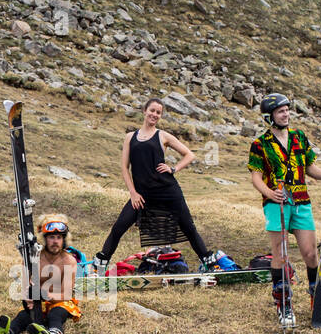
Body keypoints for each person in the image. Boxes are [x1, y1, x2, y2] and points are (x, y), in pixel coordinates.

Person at [91, 98, 233, 275]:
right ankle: (100, 264)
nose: (154, 115)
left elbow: (189, 154)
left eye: (158, 112)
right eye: (152, 110)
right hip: (142, 195)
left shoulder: (162, 136)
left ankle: (209, 262)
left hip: (167, 191)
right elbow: (124, 168)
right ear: (144, 111)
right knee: (119, 227)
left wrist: (173, 169)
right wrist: (133, 193)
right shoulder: (130, 137)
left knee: (188, 227)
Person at [248, 95, 321, 328]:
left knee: (311, 254)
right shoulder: (260, 144)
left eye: (287, 110)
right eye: (280, 111)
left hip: (301, 202)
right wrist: (269, 192)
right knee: (281, 255)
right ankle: (283, 303)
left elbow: (310, 167)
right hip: (277, 205)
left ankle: (316, 299)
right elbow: (255, 175)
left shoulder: (298, 137)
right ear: (269, 116)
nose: (285, 114)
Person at [0, 213, 81, 334]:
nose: (55, 241)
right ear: (44, 239)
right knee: (22, 317)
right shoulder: (32, 258)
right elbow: (26, 287)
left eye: (59, 237)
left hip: (60, 302)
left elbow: (67, 293)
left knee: (55, 315)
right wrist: (29, 299)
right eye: (51, 237)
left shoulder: (69, 261)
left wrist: (46, 295)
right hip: (39, 303)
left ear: (64, 239)